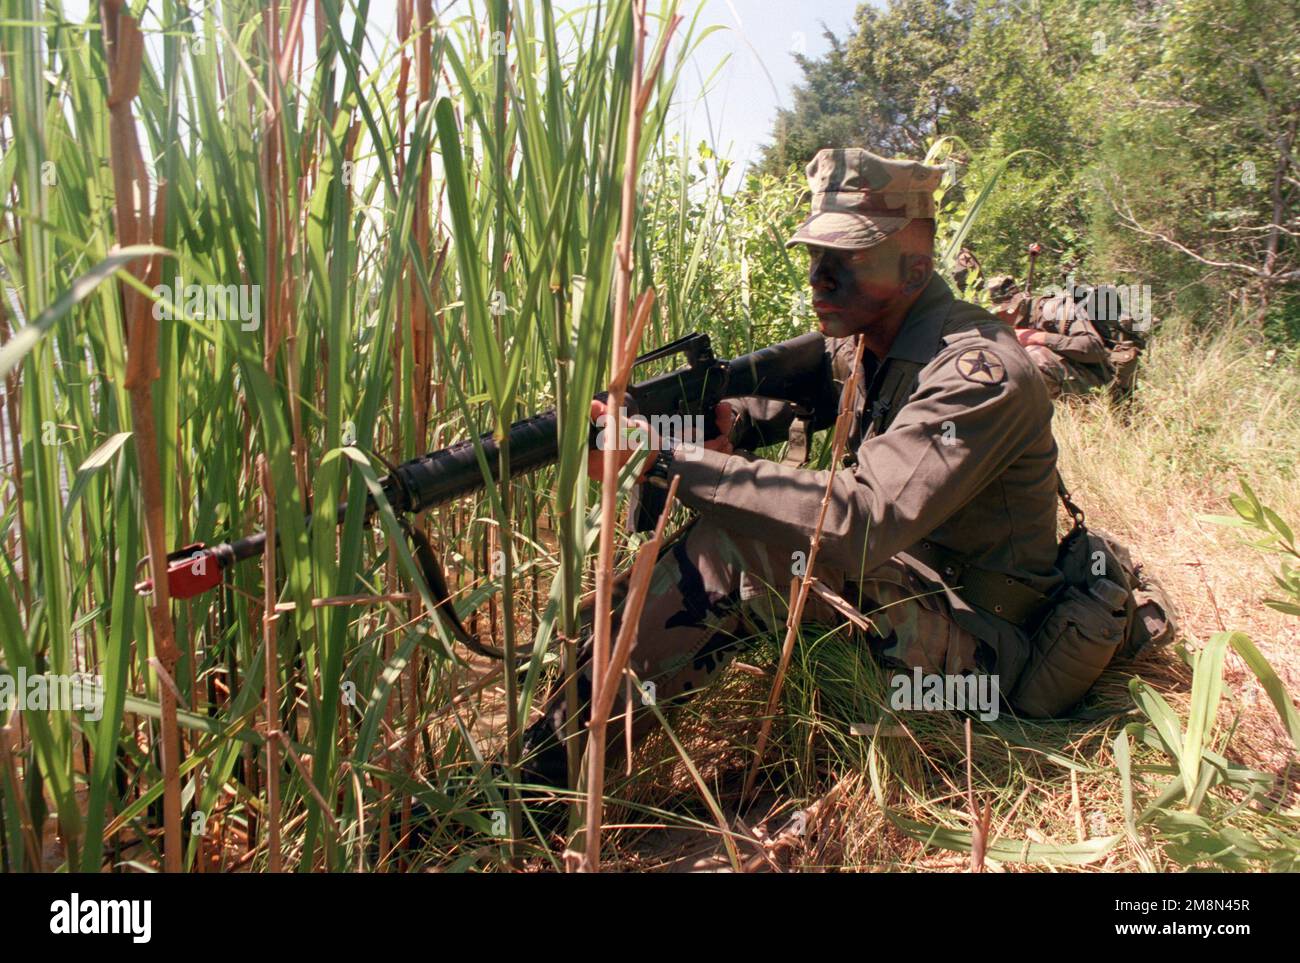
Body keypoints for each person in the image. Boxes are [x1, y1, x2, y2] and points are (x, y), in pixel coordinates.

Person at [519, 147, 1064, 789]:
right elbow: (784, 398)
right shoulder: (871, 339)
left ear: (916, 267)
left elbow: (863, 520)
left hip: (982, 655)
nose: (818, 280)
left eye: (847, 261)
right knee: (638, 582)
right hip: (907, 603)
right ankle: (557, 727)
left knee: (745, 545)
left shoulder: (978, 374)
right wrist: (723, 420)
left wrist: (663, 462)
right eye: (815, 257)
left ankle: (536, 786)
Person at [989, 277, 1114, 400]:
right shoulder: (1003, 325)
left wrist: (1041, 338)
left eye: (1004, 311)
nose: (1001, 316)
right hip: (1065, 382)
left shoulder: (1055, 309)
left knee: (1035, 355)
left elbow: (1095, 348)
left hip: (1099, 383)